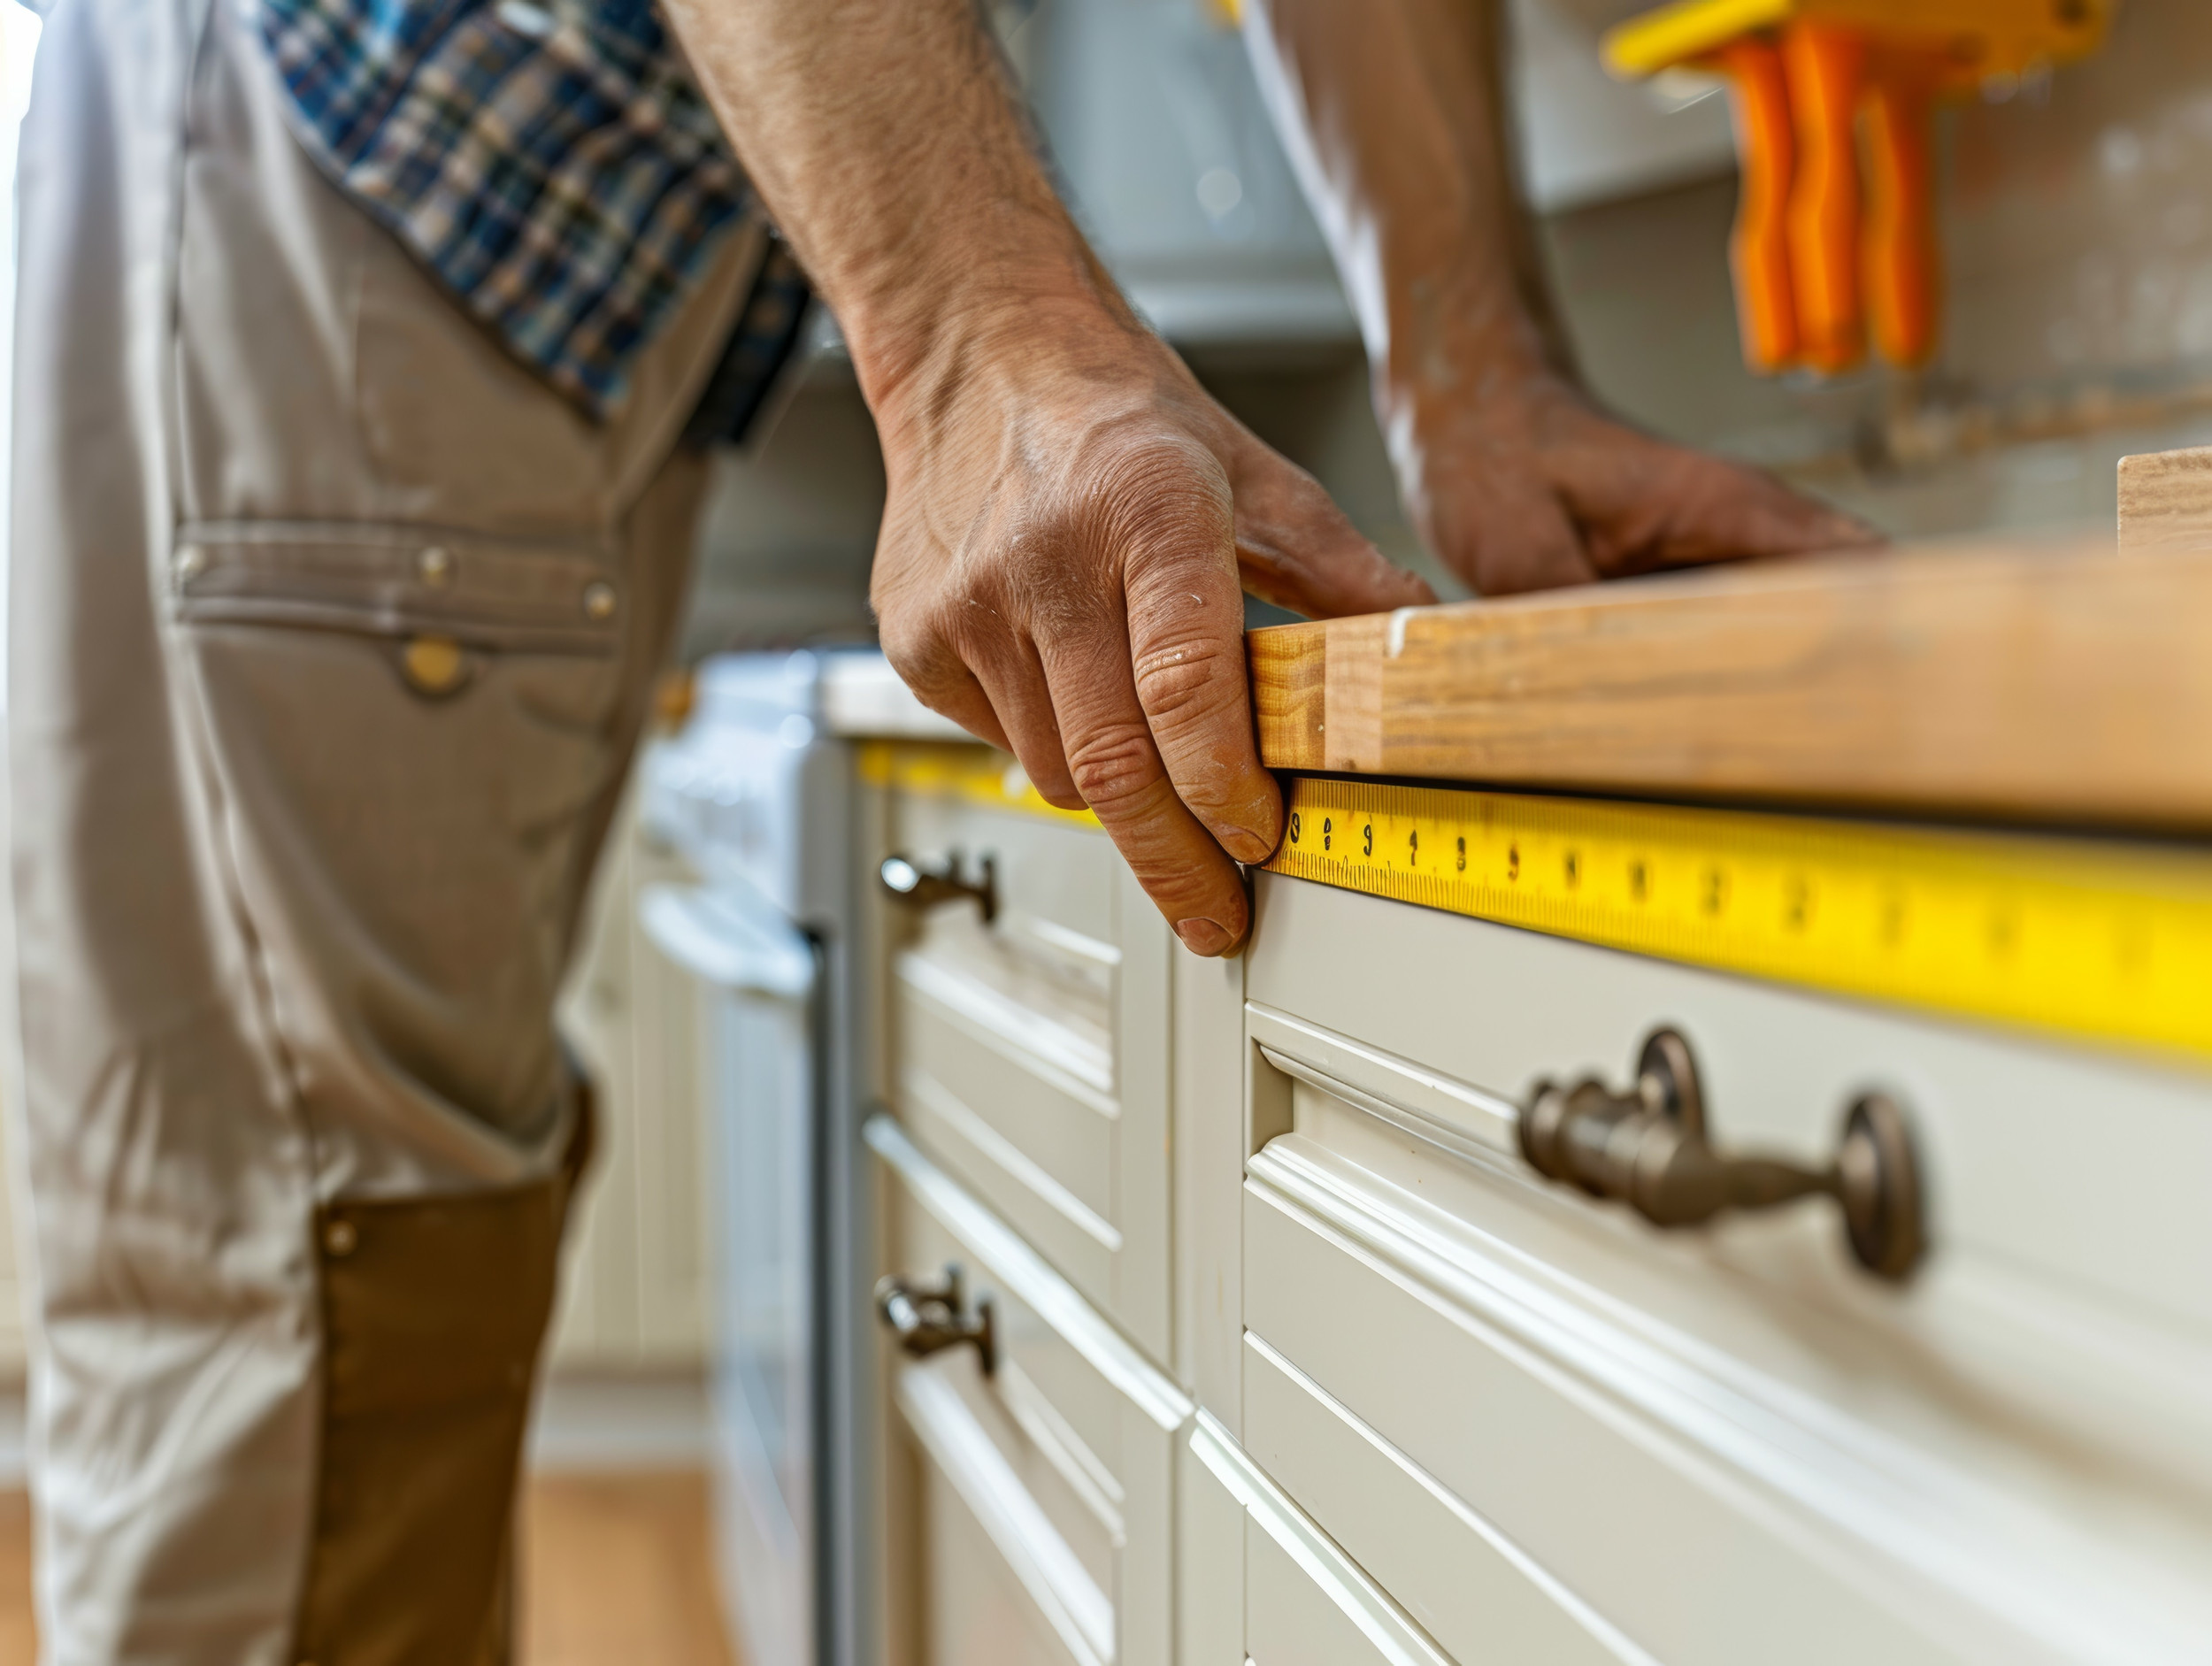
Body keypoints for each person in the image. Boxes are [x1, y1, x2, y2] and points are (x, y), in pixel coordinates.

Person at [6, 0, 1869, 1655]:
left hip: (603, 267)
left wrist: (1470, 374)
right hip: (362, 158)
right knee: (309, 1297)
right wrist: (976, 338)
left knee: (397, 1270)